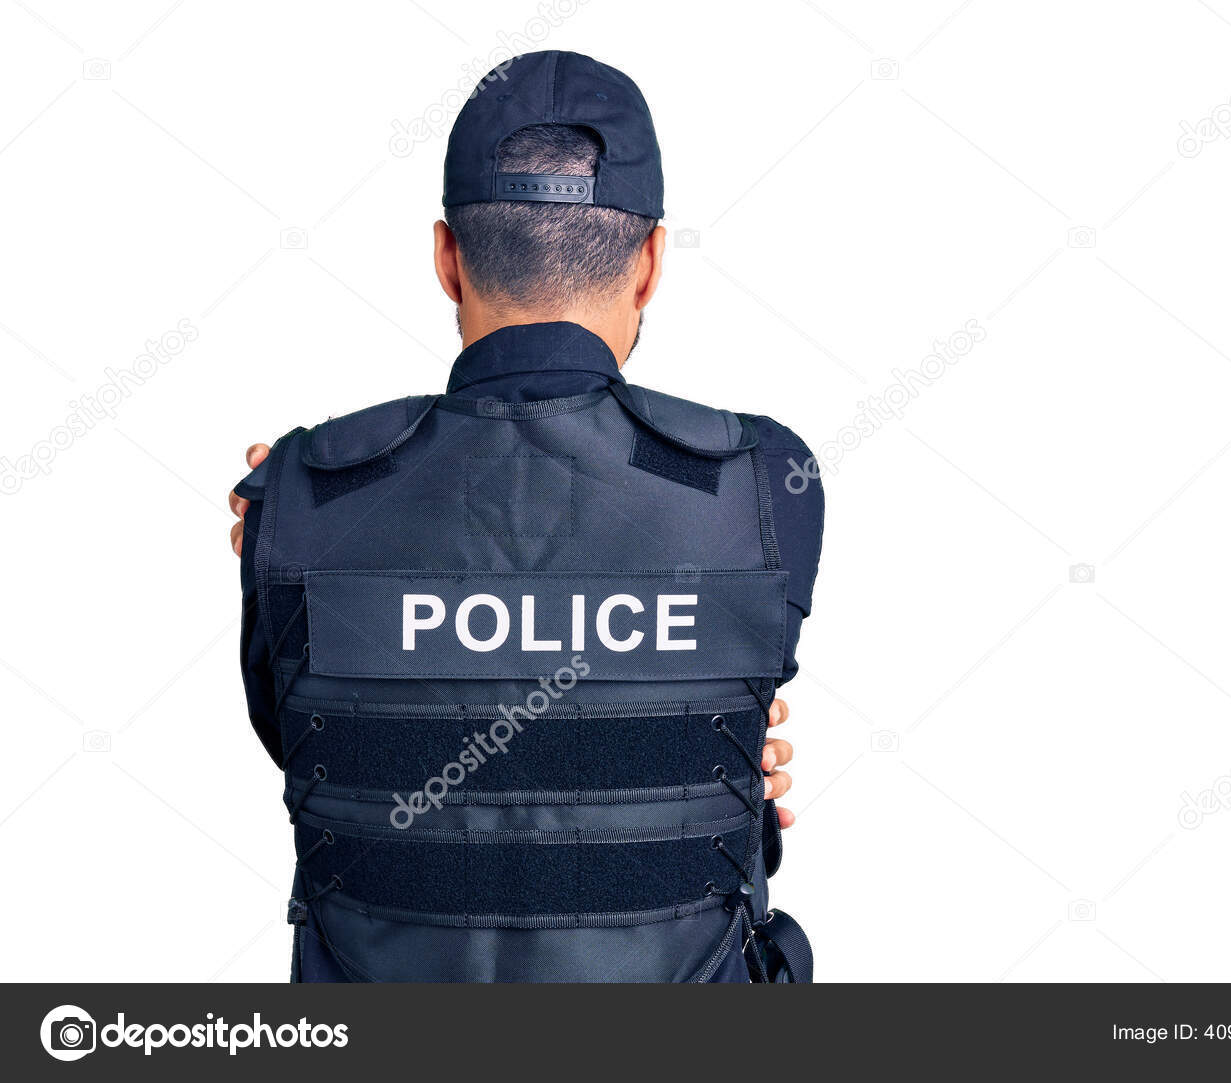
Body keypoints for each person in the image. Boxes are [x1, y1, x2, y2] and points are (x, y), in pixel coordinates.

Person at [226, 50, 823, 981]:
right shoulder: (764, 479)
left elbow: (309, 746)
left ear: (445, 258)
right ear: (653, 260)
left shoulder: (301, 490)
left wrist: (281, 537)